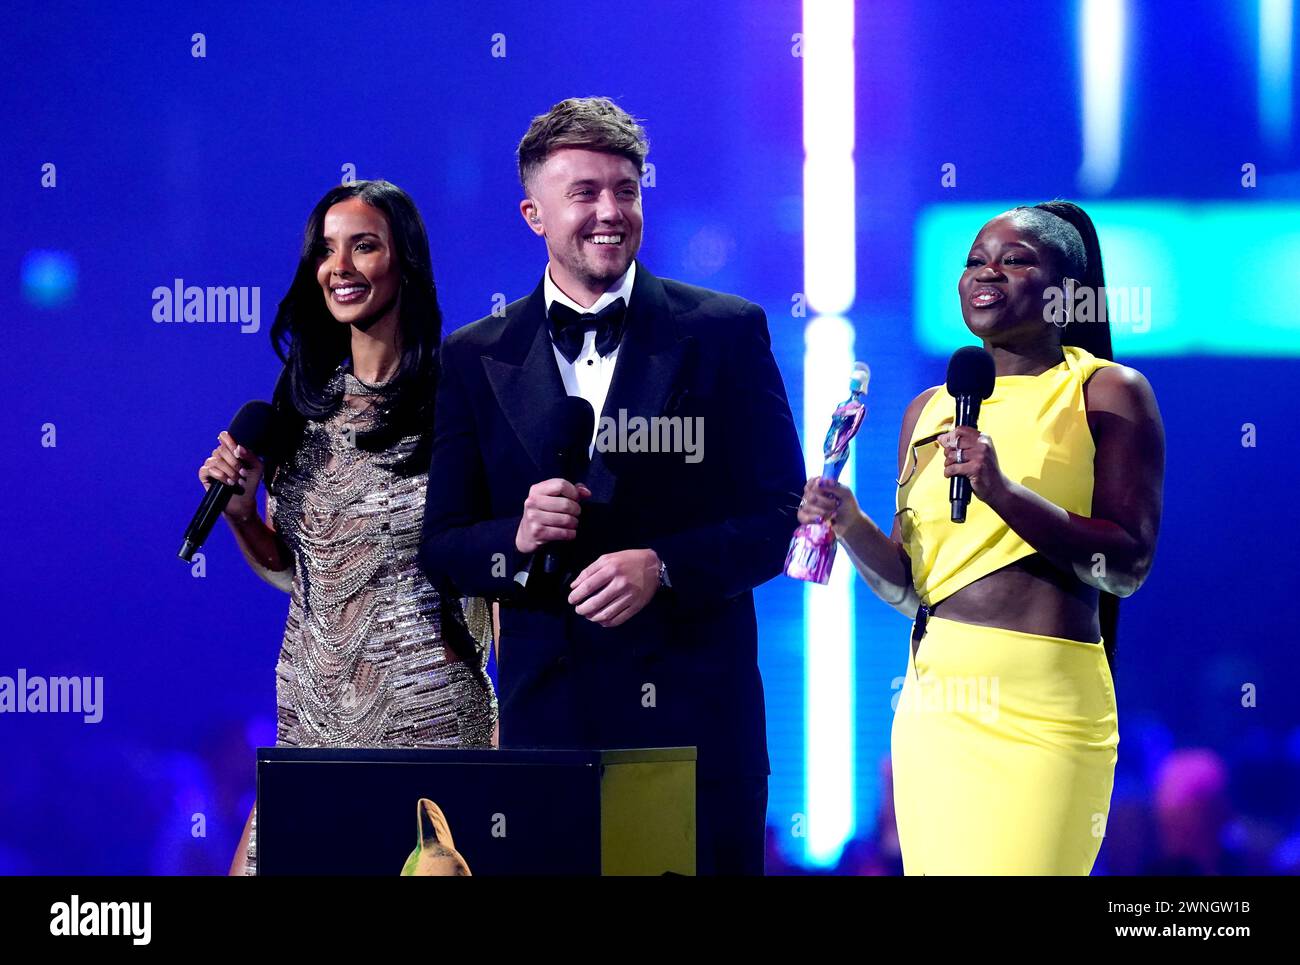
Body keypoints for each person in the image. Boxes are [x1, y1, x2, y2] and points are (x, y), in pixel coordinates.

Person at [419, 97, 804, 875]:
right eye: (585, 192)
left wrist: (662, 567)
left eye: (626, 190)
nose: (610, 212)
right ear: (534, 212)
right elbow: (444, 546)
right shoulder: (473, 354)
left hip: (696, 722)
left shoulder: (724, 331)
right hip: (549, 723)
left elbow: (781, 515)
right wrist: (517, 539)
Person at [799, 200, 1165, 874]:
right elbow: (912, 587)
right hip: (937, 707)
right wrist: (848, 523)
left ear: (1068, 291)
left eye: (1014, 259)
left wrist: (1002, 491)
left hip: (1044, 707)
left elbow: (1126, 564)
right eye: (973, 261)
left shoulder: (1105, 391)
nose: (985, 272)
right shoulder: (927, 410)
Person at [198, 180, 497, 876]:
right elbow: (301, 568)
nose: (341, 267)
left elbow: (495, 576)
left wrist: (512, 737)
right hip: (311, 720)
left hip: (429, 725)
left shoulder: (458, 403)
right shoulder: (302, 406)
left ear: (404, 263)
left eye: (364, 246)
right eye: (327, 251)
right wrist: (242, 514)